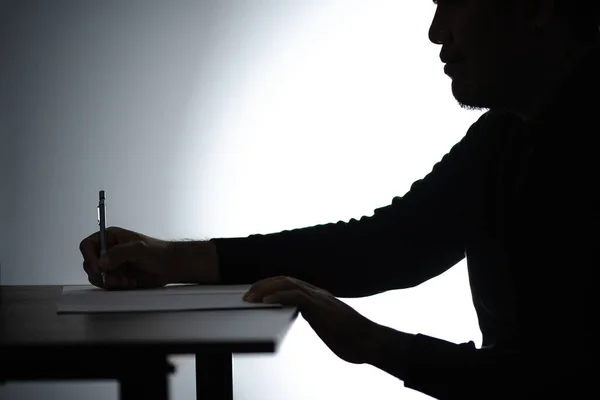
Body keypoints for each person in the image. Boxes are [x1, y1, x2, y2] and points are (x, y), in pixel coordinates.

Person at [79, 0, 600, 398]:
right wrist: (172, 258)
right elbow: (389, 246)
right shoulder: (506, 136)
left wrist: (379, 345)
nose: (436, 31)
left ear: (538, 8)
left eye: (454, 1)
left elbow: (552, 377)